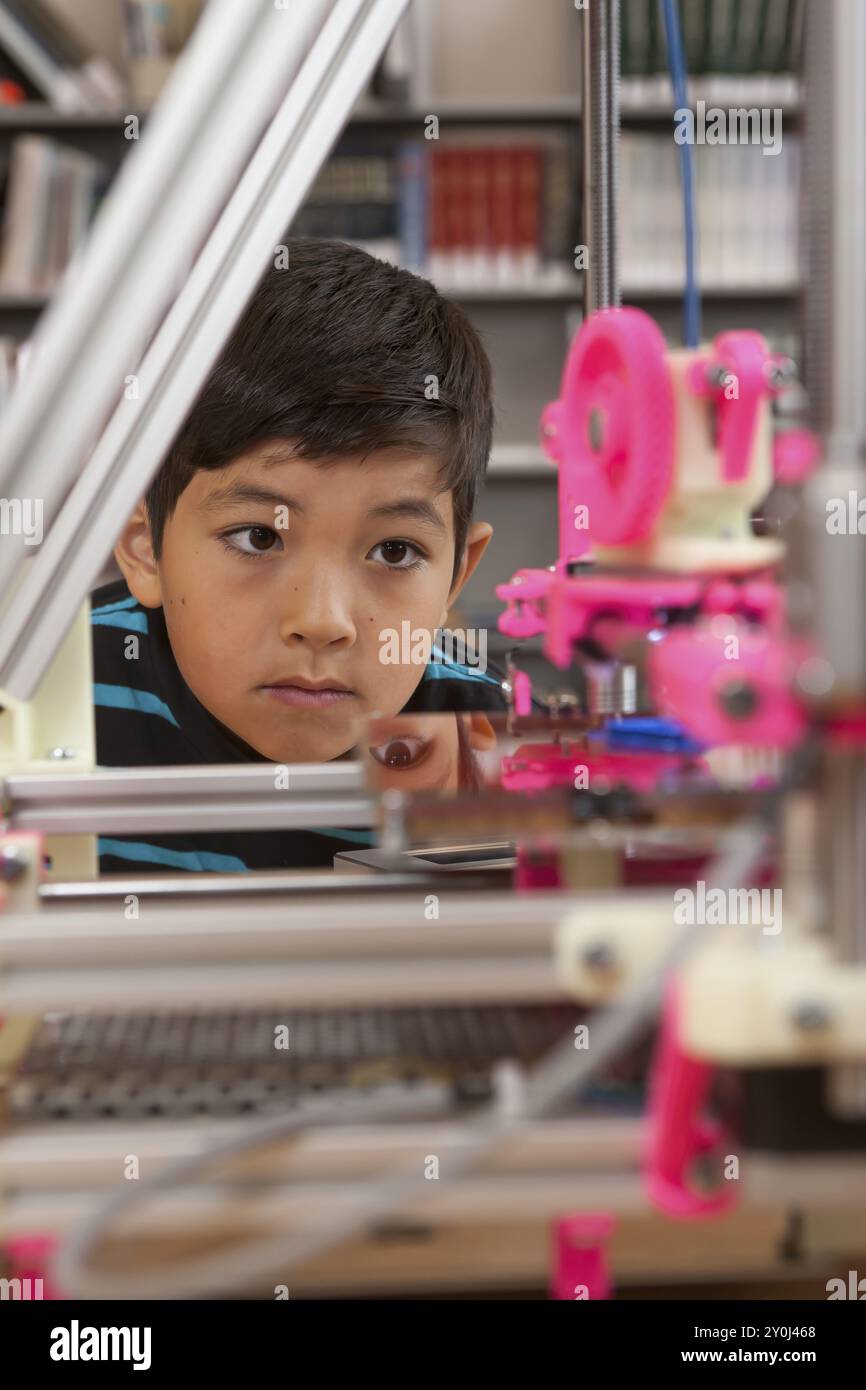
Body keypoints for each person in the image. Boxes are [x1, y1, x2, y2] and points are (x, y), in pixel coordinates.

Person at [91, 239, 506, 873]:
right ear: (145, 547)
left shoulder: (485, 735)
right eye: (259, 537)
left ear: (457, 573)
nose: (321, 621)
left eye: (394, 550)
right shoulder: (47, 697)